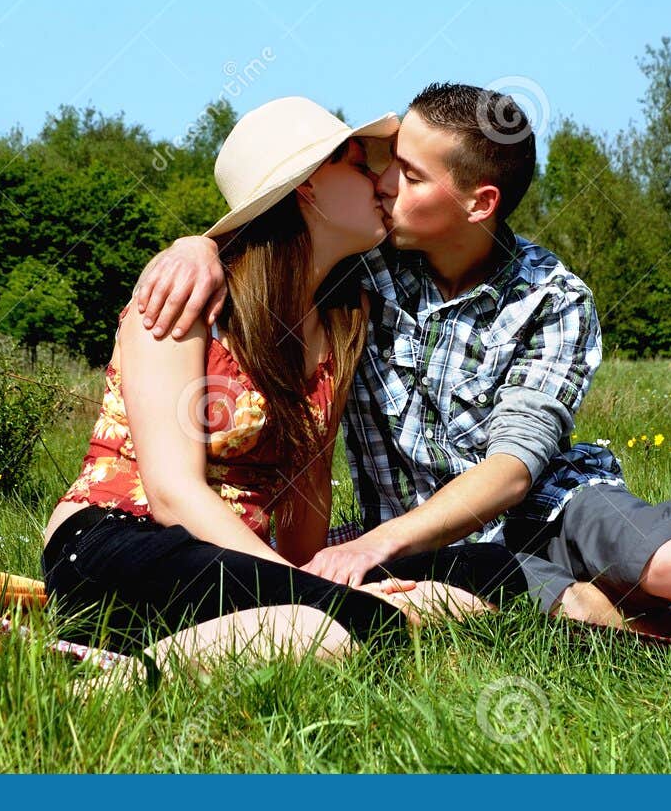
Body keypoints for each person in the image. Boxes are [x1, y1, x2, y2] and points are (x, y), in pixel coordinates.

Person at [133, 82, 671, 632]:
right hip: (425, 543)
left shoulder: (552, 297)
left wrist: (375, 542)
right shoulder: (360, 266)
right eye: (390, 162)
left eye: (411, 174)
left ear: (479, 203)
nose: (385, 182)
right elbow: (275, 236)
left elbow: (512, 470)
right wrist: (194, 245)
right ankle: (655, 618)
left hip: (552, 507)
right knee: (583, 624)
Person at [42, 96, 528, 686]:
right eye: (356, 164)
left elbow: (309, 489)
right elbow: (173, 495)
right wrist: (313, 590)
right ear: (306, 189)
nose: (380, 180)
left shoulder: (344, 316)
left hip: (242, 561)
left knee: (492, 569)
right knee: (340, 621)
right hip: (122, 540)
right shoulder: (187, 299)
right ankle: (118, 684)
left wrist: (315, 571)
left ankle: (276, 631)